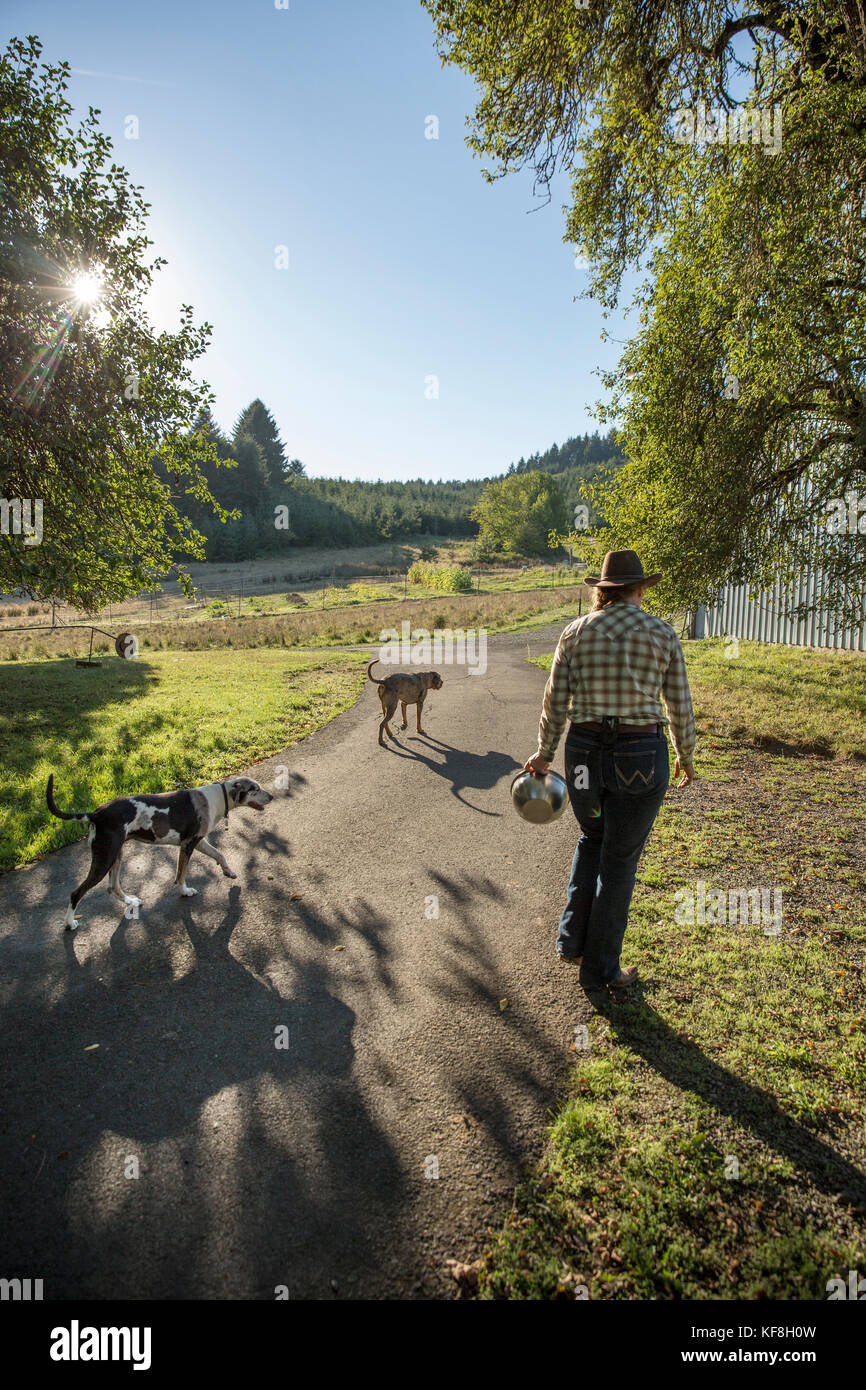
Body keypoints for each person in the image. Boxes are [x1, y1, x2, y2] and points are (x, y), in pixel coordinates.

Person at [523, 549, 696, 991]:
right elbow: (678, 705)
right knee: (619, 858)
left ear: (602, 591)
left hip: (582, 759)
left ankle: (571, 941)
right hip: (639, 756)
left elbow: (554, 702)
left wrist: (544, 753)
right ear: (639, 589)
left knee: (592, 836)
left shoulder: (575, 633)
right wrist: (685, 754)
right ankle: (602, 970)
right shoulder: (662, 633)